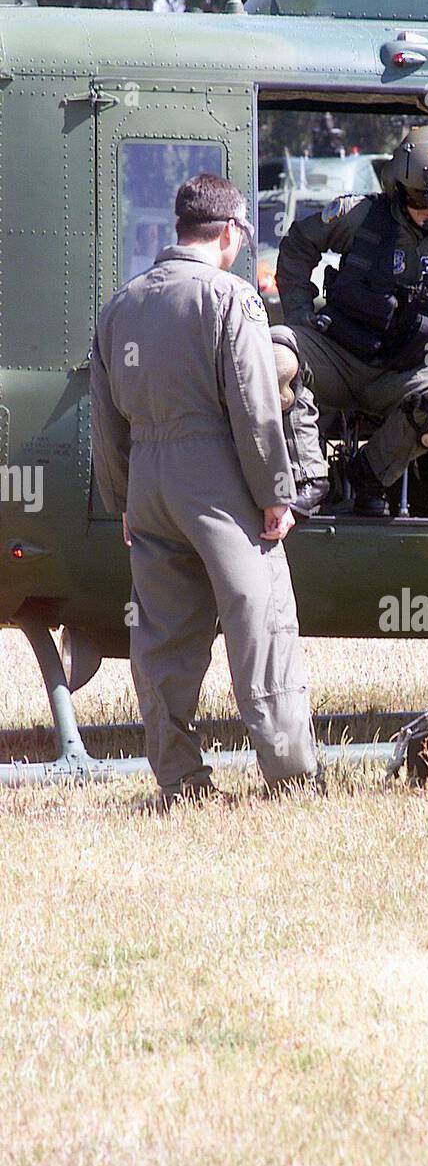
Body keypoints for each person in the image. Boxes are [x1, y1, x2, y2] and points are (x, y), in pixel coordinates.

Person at [90, 173, 318, 806]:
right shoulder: (230, 297)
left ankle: (178, 779)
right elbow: (253, 405)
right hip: (216, 478)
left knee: (162, 636)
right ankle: (290, 776)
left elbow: (105, 418)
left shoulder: (123, 303)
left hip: (149, 481)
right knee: (260, 624)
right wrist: (276, 490)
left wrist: (123, 502)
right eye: (244, 234)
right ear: (227, 232)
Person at [276, 124, 428, 515]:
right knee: (275, 355)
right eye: (420, 203)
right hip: (339, 357)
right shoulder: (360, 215)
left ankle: (369, 474)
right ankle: (310, 477)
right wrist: (301, 316)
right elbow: (297, 246)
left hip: (411, 374)